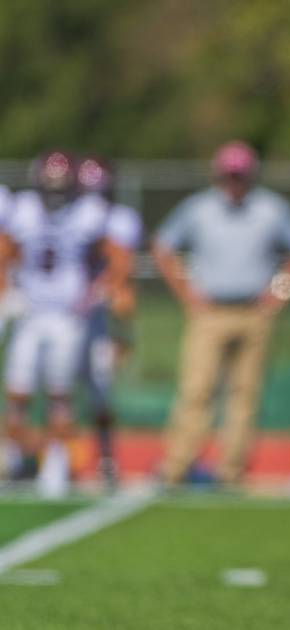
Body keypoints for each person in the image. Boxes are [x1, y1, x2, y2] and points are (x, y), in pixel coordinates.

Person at [153, 141, 290, 487]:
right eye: (229, 175)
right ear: (218, 175)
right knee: (197, 389)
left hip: (254, 313)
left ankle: (231, 470)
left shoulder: (271, 209)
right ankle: (177, 466)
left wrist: (277, 295)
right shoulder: (198, 209)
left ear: (251, 176)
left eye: (240, 176)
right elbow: (163, 248)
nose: (234, 183)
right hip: (209, 311)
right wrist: (187, 294)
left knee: (245, 395)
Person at [0, 152, 131, 497]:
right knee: (18, 391)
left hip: (68, 316)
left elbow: (115, 256)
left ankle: (56, 463)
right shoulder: (24, 209)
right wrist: (7, 285)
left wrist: (102, 288)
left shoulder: (89, 214)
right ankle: (15, 461)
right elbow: (6, 248)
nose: (54, 194)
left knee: (61, 394)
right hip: (30, 312)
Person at [76, 156, 140, 489]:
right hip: (60, 312)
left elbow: (121, 274)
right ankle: (44, 457)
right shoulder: (63, 215)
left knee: (100, 391)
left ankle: (105, 457)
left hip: (96, 315)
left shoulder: (120, 219)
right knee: (49, 387)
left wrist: (120, 313)